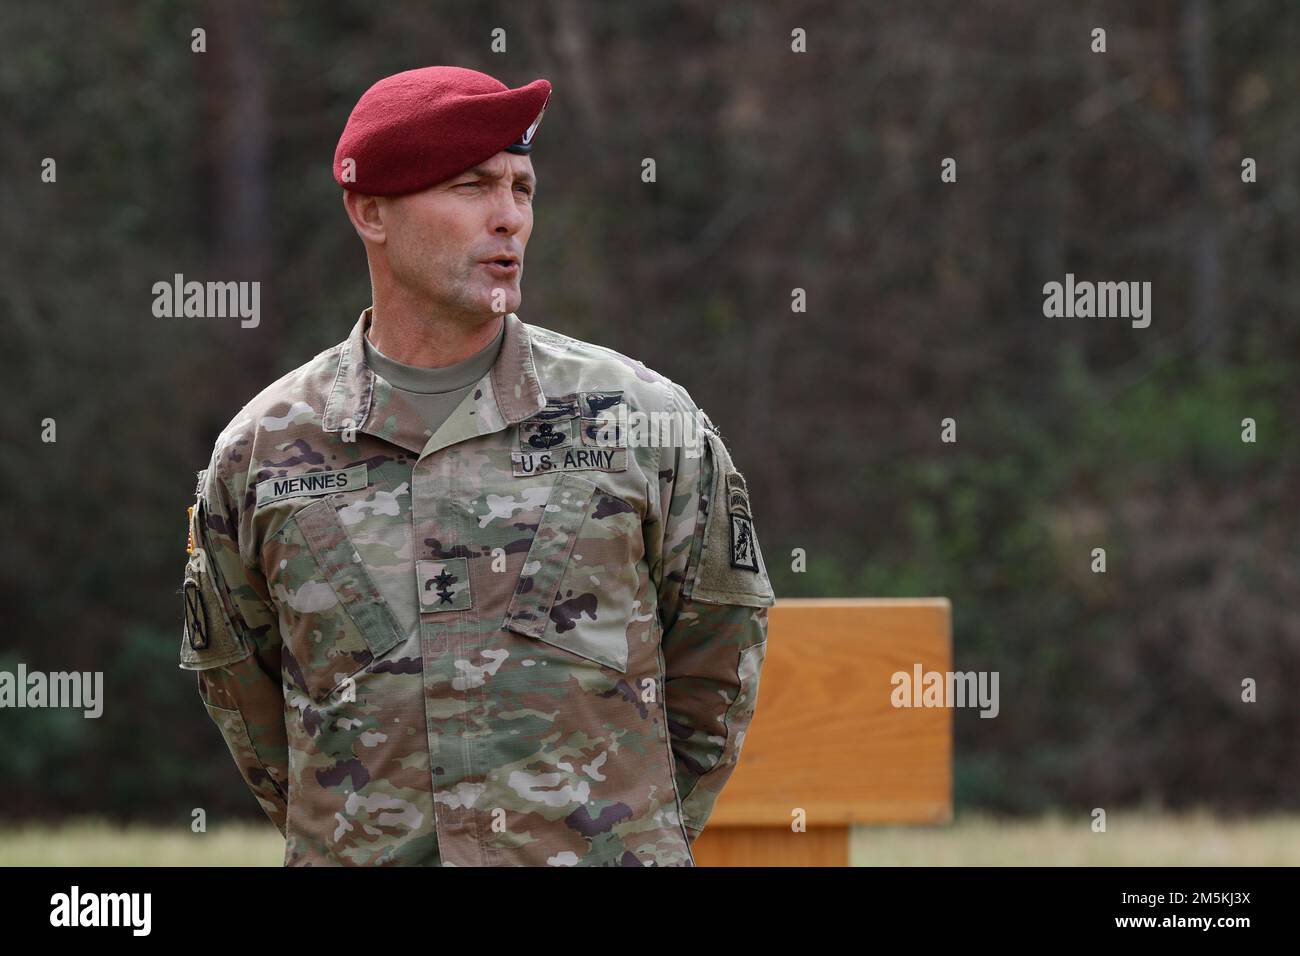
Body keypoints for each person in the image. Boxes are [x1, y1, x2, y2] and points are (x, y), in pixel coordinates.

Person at [179, 65, 775, 866]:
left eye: (522, 189)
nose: (509, 219)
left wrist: (622, 844)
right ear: (370, 211)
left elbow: (718, 662)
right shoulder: (265, 450)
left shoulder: (644, 422)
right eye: (471, 187)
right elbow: (246, 701)